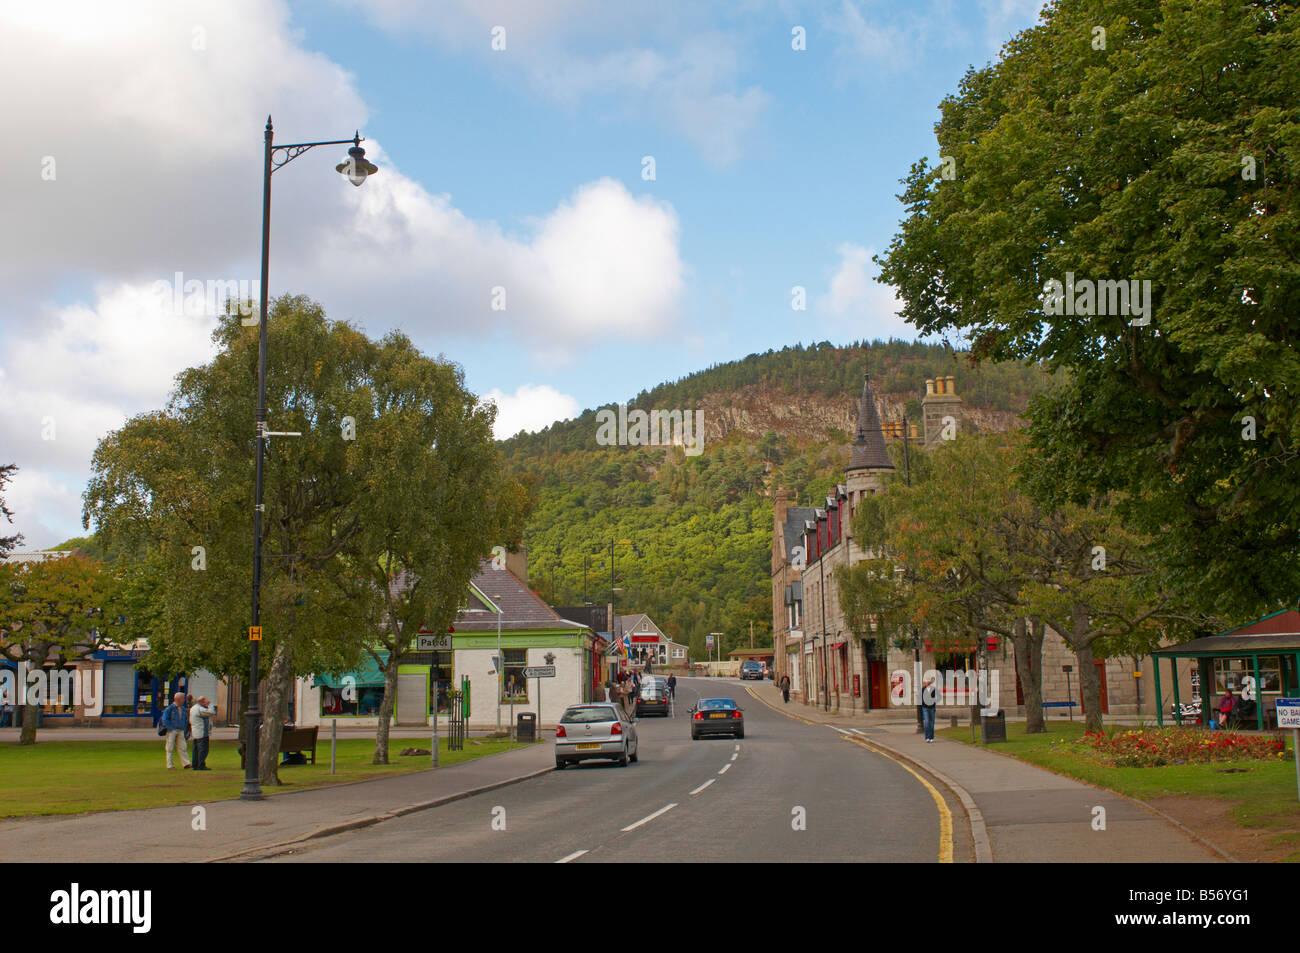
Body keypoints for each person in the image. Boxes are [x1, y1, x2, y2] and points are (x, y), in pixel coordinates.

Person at [160, 692, 191, 769]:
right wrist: (170, 728)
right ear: (177, 699)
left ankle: (186, 763)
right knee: (170, 747)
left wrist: (184, 727)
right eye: (182, 698)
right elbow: (165, 719)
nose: (184, 700)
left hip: (180, 729)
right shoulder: (170, 708)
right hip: (172, 730)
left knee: (183, 746)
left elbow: (185, 719)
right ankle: (170, 765)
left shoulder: (183, 709)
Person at [189, 695, 216, 770]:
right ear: (202, 702)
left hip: (195, 732)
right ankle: (201, 765)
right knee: (203, 750)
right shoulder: (200, 709)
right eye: (205, 701)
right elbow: (212, 712)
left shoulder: (193, 708)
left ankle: (195, 764)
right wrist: (210, 705)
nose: (207, 703)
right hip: (202, 732)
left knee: (196, 749)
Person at [921, 674, 937, 742]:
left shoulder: (933, 689)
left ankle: (931, 737)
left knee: (932, 722)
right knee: (926, 722)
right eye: (926, 681)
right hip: (925, 707)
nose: (927, 682)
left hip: (932, 707)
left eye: (928, 681)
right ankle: (927, 737)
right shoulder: (923, 689)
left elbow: (934, 698)